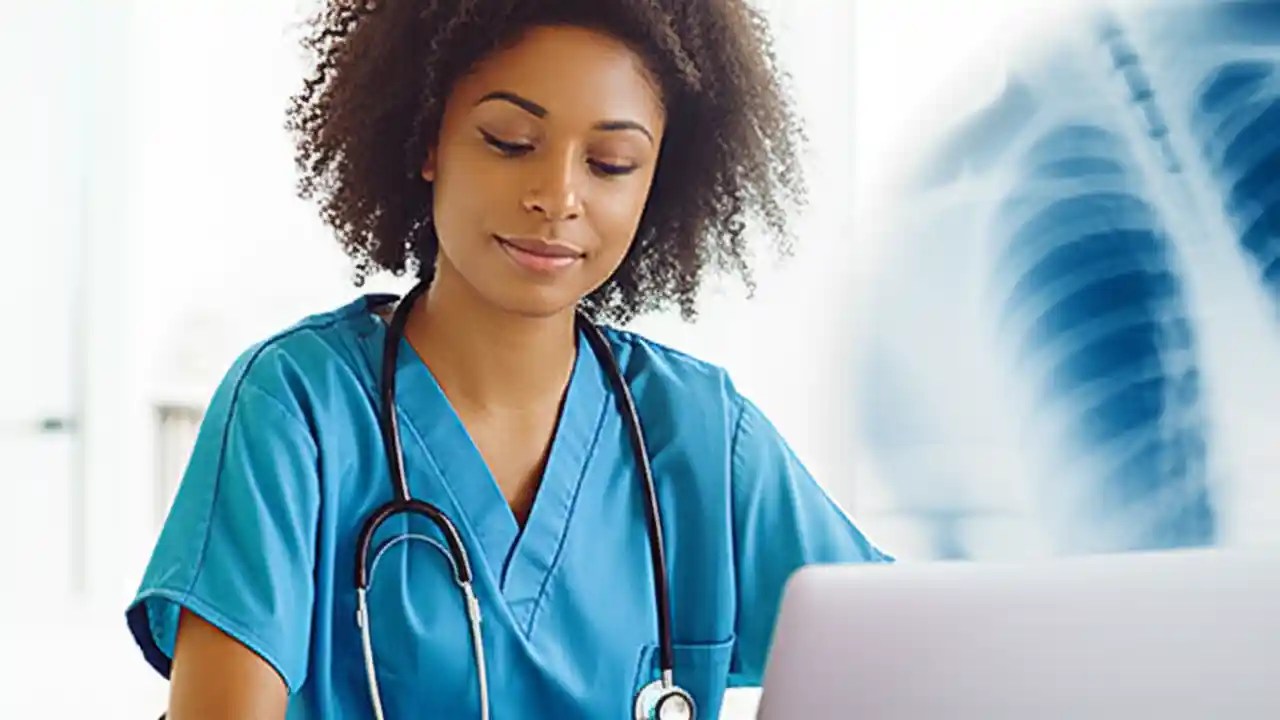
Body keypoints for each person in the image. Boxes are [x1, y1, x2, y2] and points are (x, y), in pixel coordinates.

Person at [125, 1, 893, 717]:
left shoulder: (700, 435)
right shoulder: (296, 409)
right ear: (428, 140)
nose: (557, 196)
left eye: (611, 163)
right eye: (510, 142)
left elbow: (909, 656)